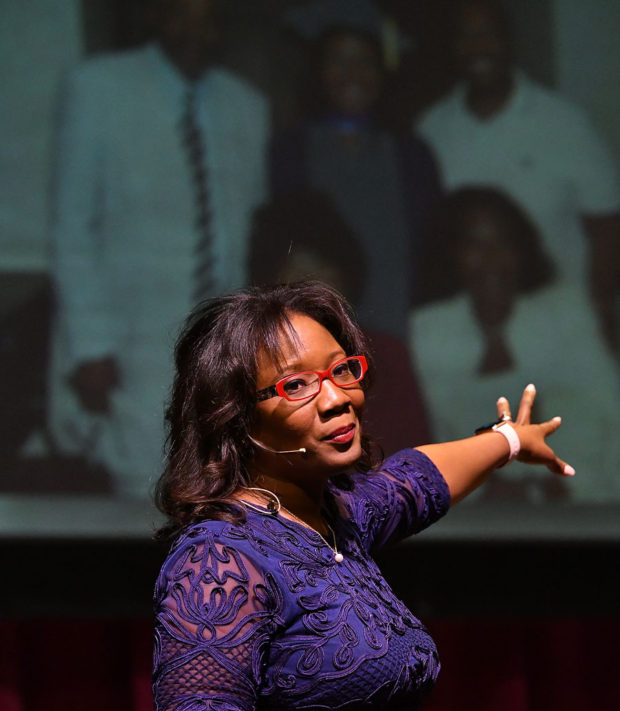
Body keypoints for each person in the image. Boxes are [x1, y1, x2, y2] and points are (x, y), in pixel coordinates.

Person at [153, 281, 574, 711]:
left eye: (341, 371)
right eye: (297, 386)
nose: (336, 399)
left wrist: (509, 442)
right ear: (235, 414)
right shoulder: (220, 558)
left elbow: (416, 480)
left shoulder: (335, 522)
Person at [48, 0, 268, 498]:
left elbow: (252, 227)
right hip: (130, 340)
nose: (196, 25)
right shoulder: (99, 88)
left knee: (222, 486)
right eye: (181, 11)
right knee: (143, 488)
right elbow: (72, 228)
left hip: (221, 344)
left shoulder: (246, 105)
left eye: (209, 14)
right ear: (154, 14)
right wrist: (91, 346)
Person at [416, 0, 620, 352]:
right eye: (466, 37)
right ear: (451, 48)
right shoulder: (431, 130)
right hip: (470, 335)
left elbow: (606, 224)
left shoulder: (565, 123)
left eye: (488, 35)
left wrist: (598, 305)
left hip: (562, 325)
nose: (478, 47)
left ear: (510, 42)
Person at [409, 186, 620, 503]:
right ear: (450, 252)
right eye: (474, 245)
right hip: (476, 513)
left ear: (523, 250)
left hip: (588, 499)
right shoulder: (429, 330)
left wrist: (567, 488)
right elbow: (435, 440)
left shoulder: (567, 313)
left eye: (503, 243)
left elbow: (610, 415)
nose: (491, 259)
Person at [270, 21, 441, 341]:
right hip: (318, 328)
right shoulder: (290, 151)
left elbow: (430, 247)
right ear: (319, 71)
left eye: (364, 61)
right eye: (338, 61)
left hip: (401, 330)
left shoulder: (412, 154)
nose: (352, 73)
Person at [248, 187, 431, 453]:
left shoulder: (386, 355)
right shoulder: (256, 365)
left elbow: (416, 456)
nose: (314, 289)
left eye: (323, 268)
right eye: (298, 275)